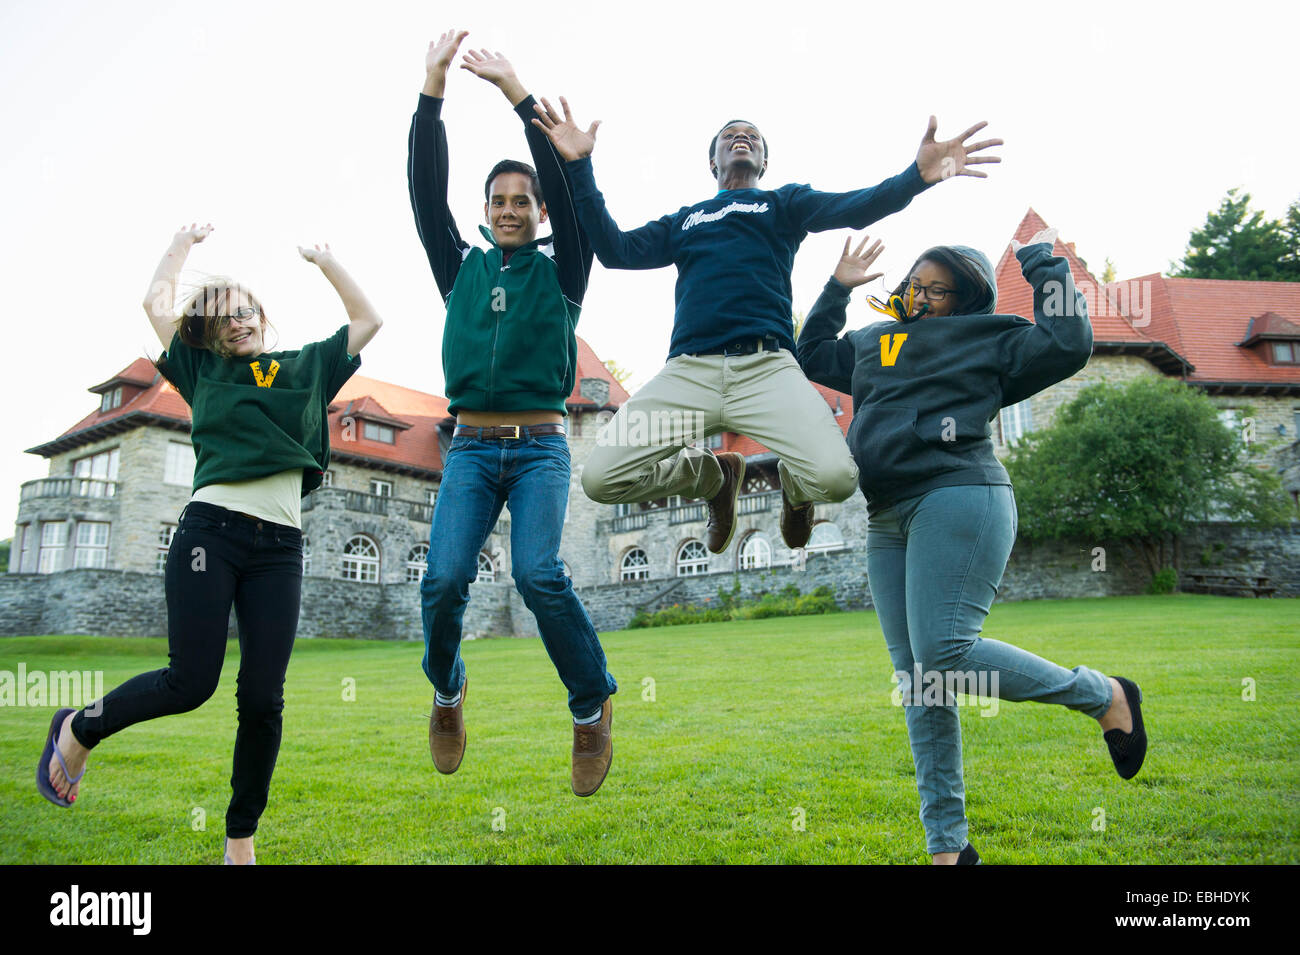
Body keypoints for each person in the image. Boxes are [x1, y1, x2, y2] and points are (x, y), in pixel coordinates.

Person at [796, 229, 1148, 864]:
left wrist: (1045, 265)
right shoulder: (877, 341)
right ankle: (948, 848)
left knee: (946, 652)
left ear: (966, 300)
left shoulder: (989, 337)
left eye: (940, 289)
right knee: (920, 683)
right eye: (916, 285)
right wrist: (838, 287)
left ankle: (1105, 695)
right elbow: (810, 353)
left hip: (957, 494)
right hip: (886, 517)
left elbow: (1067, 342)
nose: (922, 296)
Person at [37, 223, 382, 864]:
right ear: (212, 332)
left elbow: (367, 318)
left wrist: (326, 260)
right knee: (190, 681)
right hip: (210, 535)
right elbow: (155, 306)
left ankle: (240, 838)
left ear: (261, 316)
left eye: (245, 310)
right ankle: (80, 728)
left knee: (262, 697)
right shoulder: (202, 371)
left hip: (280, 547)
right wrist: (179, 246)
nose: (238, 323)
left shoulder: (308, 366)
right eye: (224, 318)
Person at [531, 98, 1001, 553]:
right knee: (600, 478)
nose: (742, 138)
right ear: (711, 162)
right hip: (688, 375)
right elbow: (615, 250)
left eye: (752, 136)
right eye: (730, 136)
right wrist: (579, 166)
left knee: (836, 479)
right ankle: (713, 476)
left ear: (764, 160)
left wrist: (917, 176)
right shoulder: (686, 220)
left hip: (767, 370)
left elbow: (858, 205)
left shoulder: (783, 204)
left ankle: (796, 489)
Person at [407, 30, 617, 797]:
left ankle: (590, 708)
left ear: (536, 211)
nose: (509, 211)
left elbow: (568, 195)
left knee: (538, 573)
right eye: (497, 202)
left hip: (539, 449)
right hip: (468, 448)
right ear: (484, 211)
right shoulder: (458, 268)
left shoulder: (564, 270)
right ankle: (447, 691)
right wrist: (433, 92)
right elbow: (425, 193)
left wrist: (515, 93)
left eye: (520, 201)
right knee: (444, 580)